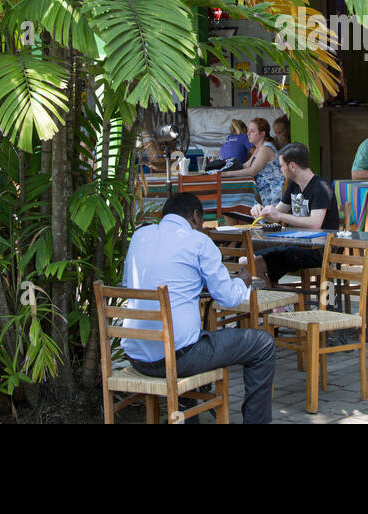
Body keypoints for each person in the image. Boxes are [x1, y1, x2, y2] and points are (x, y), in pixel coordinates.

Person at [121, 192, 276, 424]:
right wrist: (241, 282)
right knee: (262, 344)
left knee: (196, 335)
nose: (201, 227)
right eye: (201, 222)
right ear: (195, 216)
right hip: (177, 359)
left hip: (137, 356)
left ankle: (188, 412)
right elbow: (227, 298)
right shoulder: (198, 241)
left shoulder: (139, 236)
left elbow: (128, 284)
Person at [250, 142, 340, 287]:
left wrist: (279, 217)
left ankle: (276, 305)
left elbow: (315, 223)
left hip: (320, 251)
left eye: (281, 166)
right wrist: (261, 211)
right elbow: (277, 212)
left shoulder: (321, 187)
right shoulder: (294, 185)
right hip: (298, 247)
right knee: (249, 261)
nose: (280, 170)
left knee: (254, 261)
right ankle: (276, 306)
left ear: (292, 166)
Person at [225, 118, 283, 206]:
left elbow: (252, 171)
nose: (247, 134)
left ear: (262, 134)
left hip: (270, 195)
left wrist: (226, 174)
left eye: (252, 131)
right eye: (248, 131)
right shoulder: (258, 148)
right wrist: (225, 168)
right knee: (232, 204)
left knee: (234, 204)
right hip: (260, 191)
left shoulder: (265, 149)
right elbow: (245, 166)